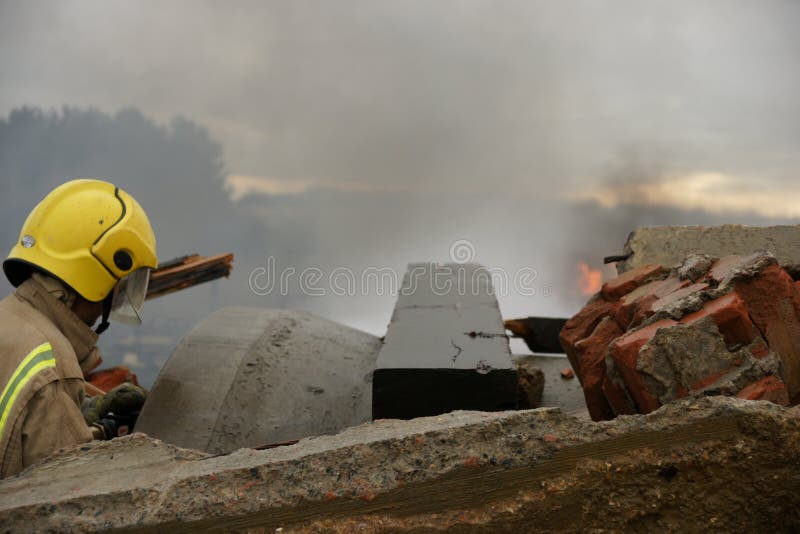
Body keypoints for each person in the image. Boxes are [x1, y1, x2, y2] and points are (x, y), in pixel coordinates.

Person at [0, 179, 157, 478]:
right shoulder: (51, 361)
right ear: (97, 277)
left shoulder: (8, 319)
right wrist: (105, 434)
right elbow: (62, 492)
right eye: (120, 287)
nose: (110, 304)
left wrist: (83, 416)